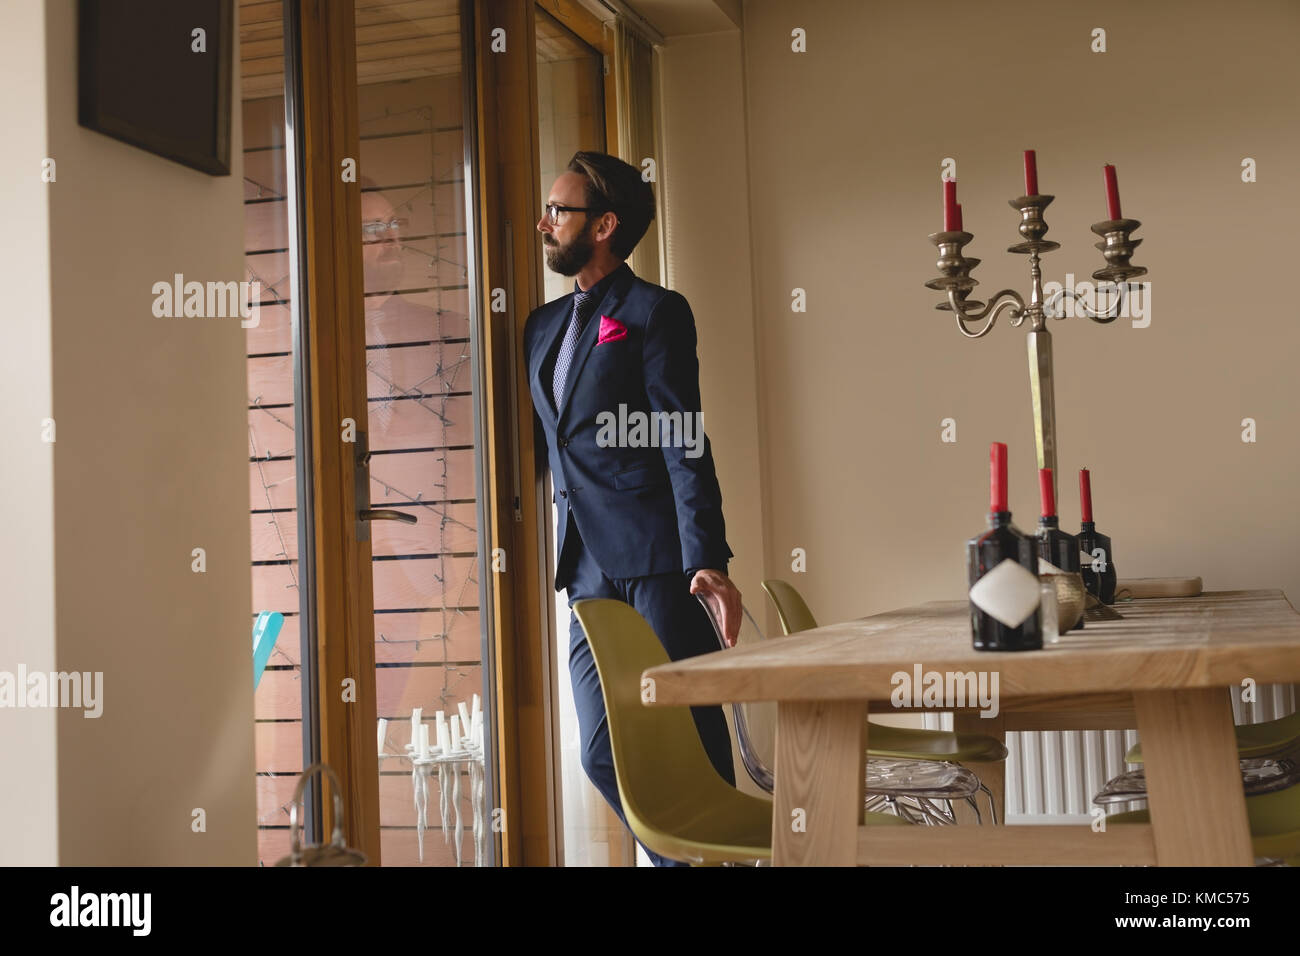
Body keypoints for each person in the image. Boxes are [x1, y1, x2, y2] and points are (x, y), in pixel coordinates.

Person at [524, 151, 741, 866]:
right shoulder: (540, 326)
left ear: (605, 225)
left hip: (658, 562)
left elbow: (682, 438)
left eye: (559, 211)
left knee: (690, 742)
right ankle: (687, 859)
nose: (543, 223)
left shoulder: (655, 313)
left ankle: (714, 854)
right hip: (584, 567)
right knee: (598, 752)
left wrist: (705, 556)